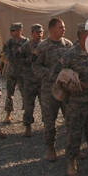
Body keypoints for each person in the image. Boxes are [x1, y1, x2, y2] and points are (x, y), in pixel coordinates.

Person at [56, 22, 88, 176]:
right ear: (82, 35)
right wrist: (72, 83)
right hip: (77, 101)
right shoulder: (70, 54)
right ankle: (71, 162)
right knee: (74, 133)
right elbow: (59, 76)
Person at [34, 17, 74, 161]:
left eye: (63, 27)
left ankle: (72, 149)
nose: (63, 29)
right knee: (50, 121)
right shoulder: (42, 46)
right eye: (60, 27)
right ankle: (50, 148)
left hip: (65, 90)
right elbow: (35, 66)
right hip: (49, 90)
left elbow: (73, 64)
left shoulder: (68, 45)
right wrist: (51, 74)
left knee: (70, 120)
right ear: (51, 29)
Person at [2, 22, 33, 126]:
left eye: (14, 30)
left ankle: (26, 114)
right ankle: (8, 114)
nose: (12, 33)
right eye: (11, 30)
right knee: (9, 94)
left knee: (25, 94)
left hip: (23, 72)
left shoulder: (26, 42)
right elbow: (5, 54)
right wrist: (12, 56)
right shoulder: (9, 42)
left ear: (20, 30)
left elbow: (30, 56)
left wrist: (23, 59)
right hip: (11, 71)